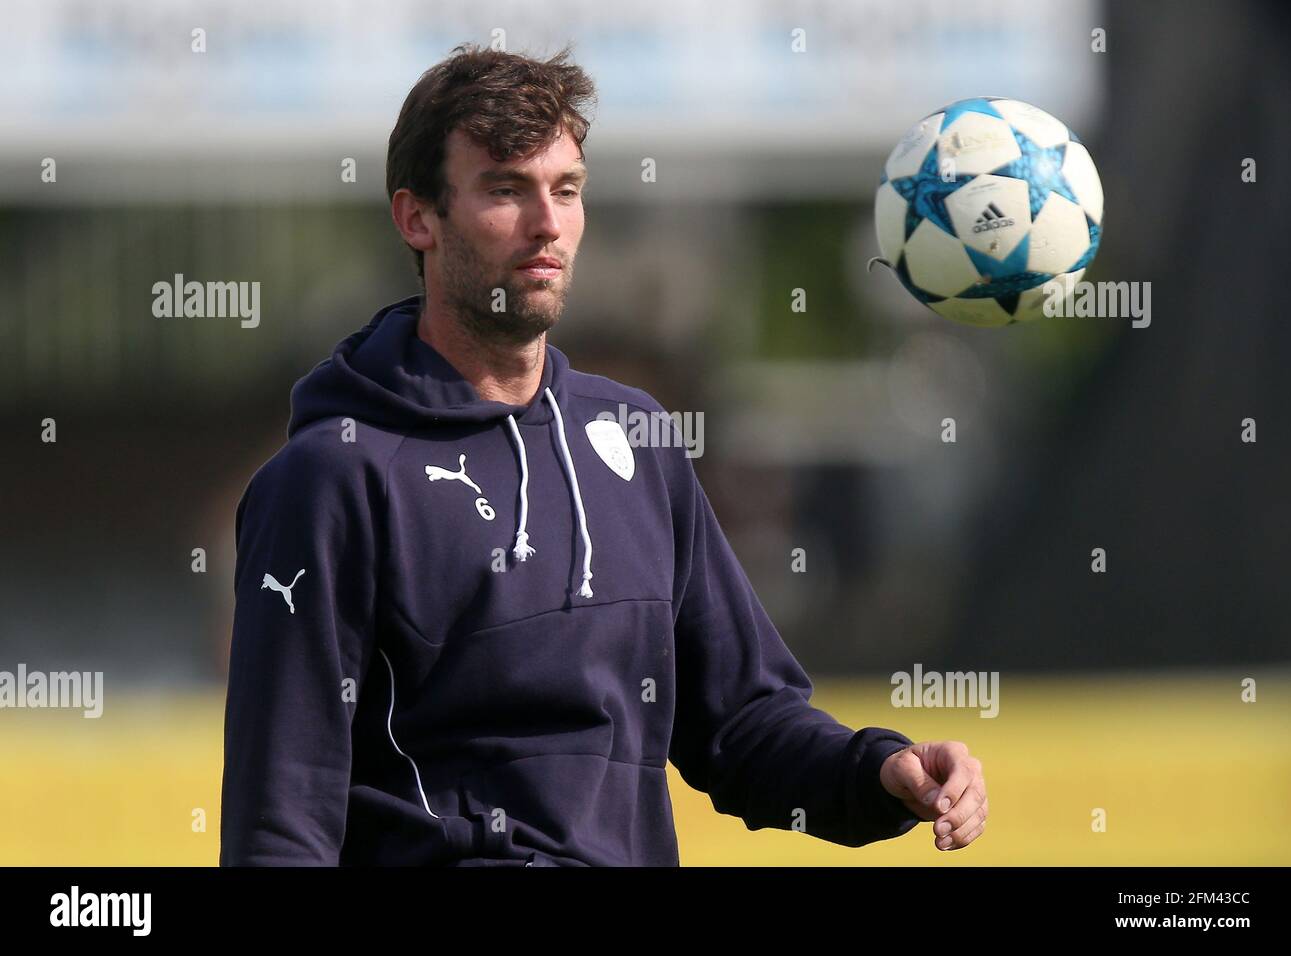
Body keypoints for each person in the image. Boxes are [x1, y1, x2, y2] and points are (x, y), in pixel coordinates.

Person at [219, 43, 987, 866]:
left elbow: (741, 722)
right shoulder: (332, 477)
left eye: (567, 189)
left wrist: (877, 771)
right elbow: (281, 814)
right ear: (419, 218)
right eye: (506, 190)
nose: (547, 223)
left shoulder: (639, 440)